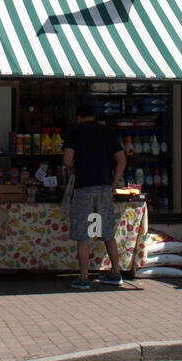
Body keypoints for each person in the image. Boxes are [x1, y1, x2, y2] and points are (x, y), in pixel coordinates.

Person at [62, 103, 127, 290]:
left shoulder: (75, 132)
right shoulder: (107, 132)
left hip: (84, 188)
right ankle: (115, 272)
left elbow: (67, 159)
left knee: (83, 234)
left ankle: (84, 277)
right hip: (105, 188)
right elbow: (122, 160)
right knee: (107, 232)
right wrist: (113, 183)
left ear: (78, 116)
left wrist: (75, 169)